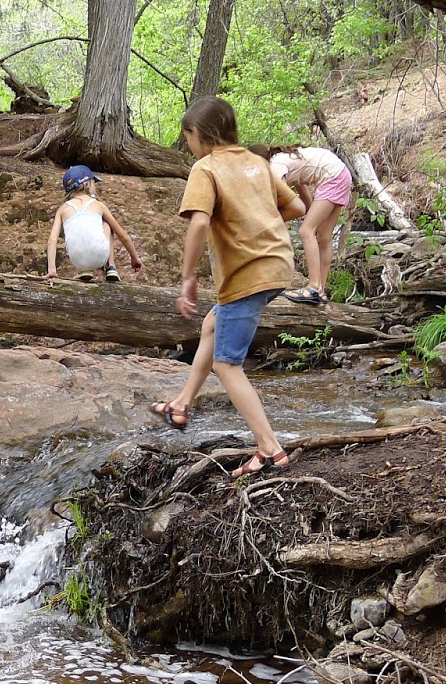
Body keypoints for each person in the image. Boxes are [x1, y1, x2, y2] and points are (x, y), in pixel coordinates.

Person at [151, 98, 307, 478]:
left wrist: (188, 277)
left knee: (227, 363)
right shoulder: (257, 162)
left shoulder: (205, 168)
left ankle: (270, 449)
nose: (187, 144)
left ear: (199, 135)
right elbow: (298, 207)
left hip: (245, 275)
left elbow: (200, 224)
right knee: (211, 325)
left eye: (187, 136)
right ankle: (182, 403)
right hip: (278, 265)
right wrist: (257, 225)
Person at [250, 143, 353, 305]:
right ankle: (320, 290)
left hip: (332, 178)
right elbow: (304, 197)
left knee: (305, 231)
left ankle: (313, 287)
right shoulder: (287, 160)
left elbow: (284, 201)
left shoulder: (275, 167)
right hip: (341, 174)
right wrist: (313, 213)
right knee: (323, 238)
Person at [45, 164, 144, 283]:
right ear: (88, 184)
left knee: (76, 226)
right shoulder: (98, 205)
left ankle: (83, 270)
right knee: (107, 224)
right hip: (100, 256)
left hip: (77, 260)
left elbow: (52, 240)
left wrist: (52, 270)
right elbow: (123, 235)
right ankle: (111, 267)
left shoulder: (62, 209)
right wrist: (134, 257)